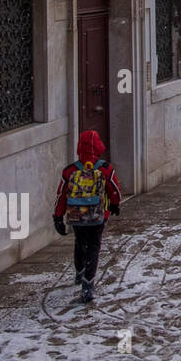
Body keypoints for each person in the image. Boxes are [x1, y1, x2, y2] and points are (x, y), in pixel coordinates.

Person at [52, 129, 123, 304]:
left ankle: (79, 272)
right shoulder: (105, 169)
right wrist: (114, 204)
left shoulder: (70, 171)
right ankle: (88, 284)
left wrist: (57, 216)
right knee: (93, 246)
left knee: (80, 242)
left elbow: (61, 195)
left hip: (77, 214)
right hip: (97, 214)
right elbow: (114, 190)